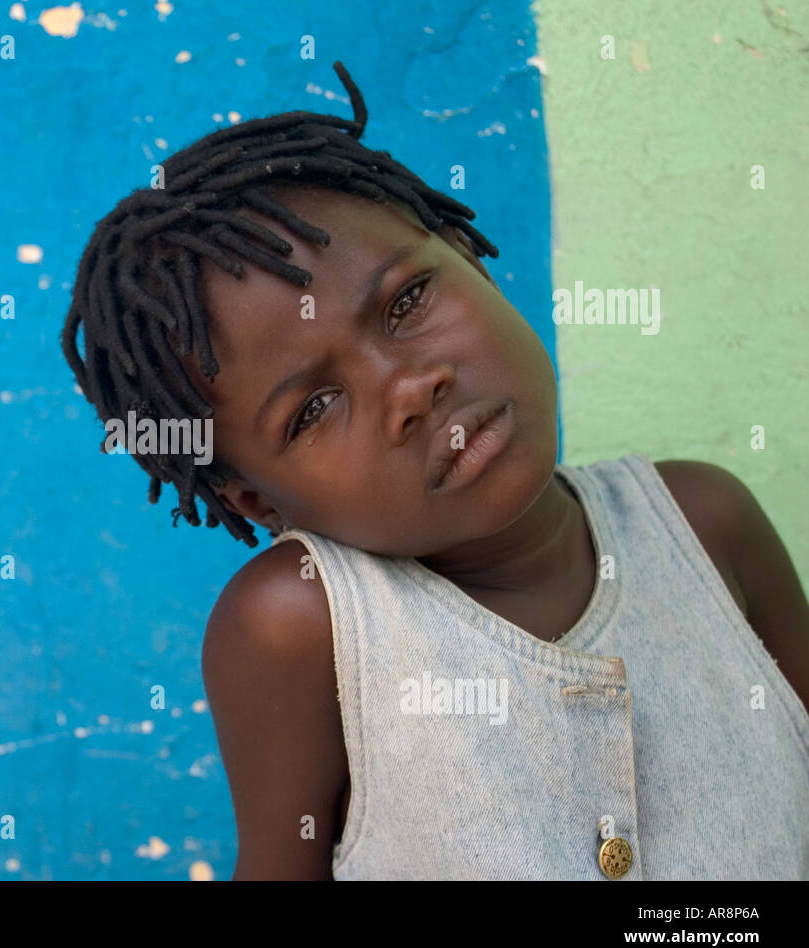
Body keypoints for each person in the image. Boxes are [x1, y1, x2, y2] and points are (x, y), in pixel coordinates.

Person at [60, 61, 809, 880]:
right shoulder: (303, 627)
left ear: (472, 259)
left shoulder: (704, 523)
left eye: (407, 301)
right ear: (257, 501)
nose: (410, 389)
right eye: (312, 408)